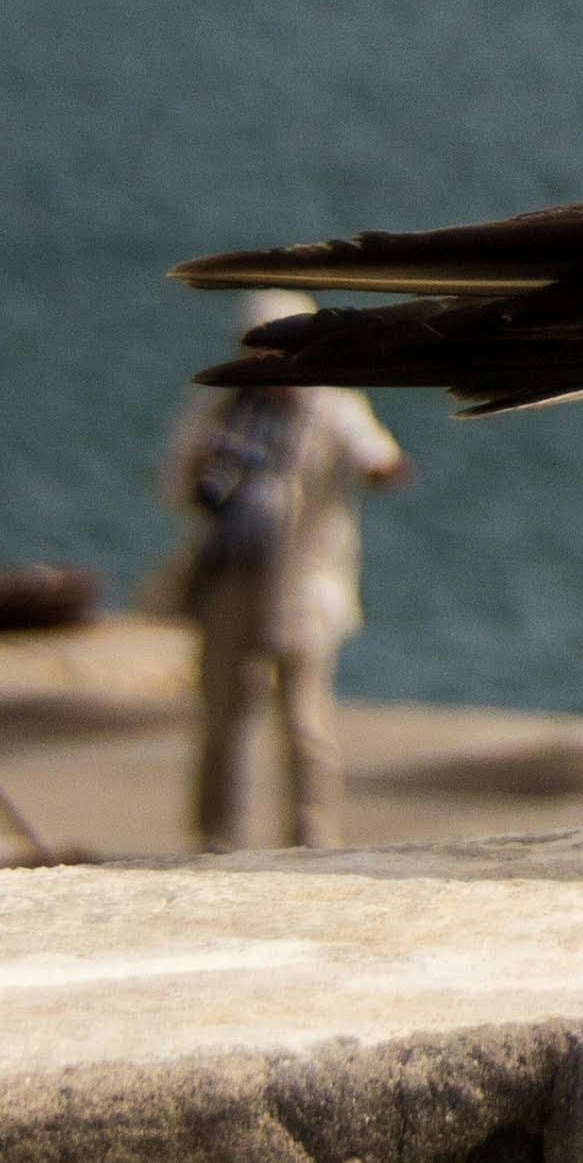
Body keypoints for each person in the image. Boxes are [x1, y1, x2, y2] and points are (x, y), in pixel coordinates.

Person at [162, 289, 408, 851]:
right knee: (223, 716)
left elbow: (376, 455)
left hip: (302, 584)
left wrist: (378, 468)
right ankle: (215, 839)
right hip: (232, 576)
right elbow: (178, 483)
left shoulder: (333, 405)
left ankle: (312, 838)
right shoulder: (221, 406)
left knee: (304, 722)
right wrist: (199, 468)